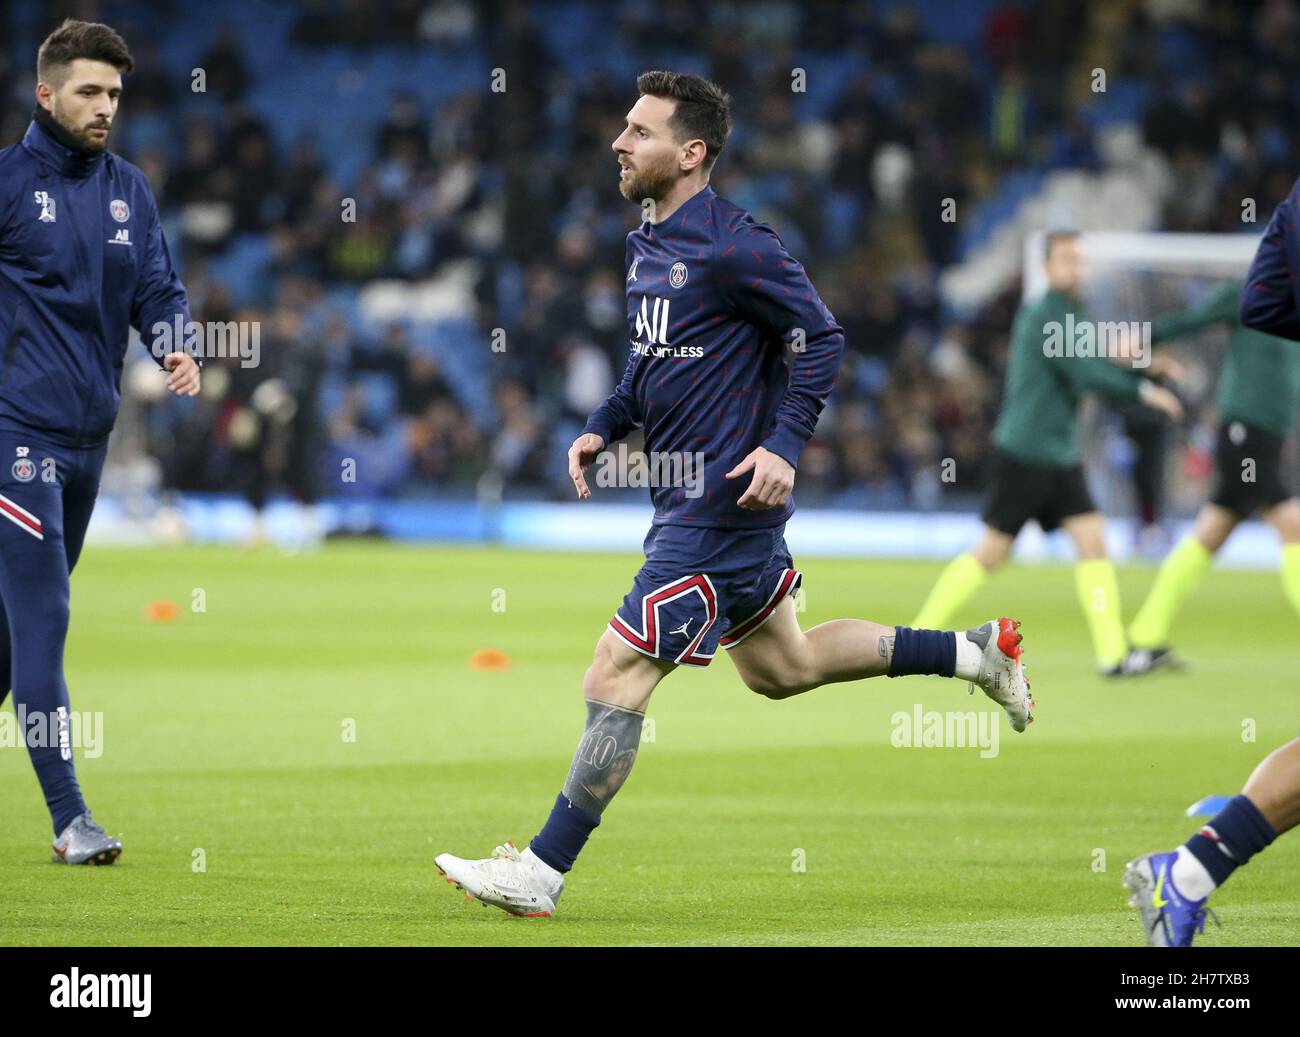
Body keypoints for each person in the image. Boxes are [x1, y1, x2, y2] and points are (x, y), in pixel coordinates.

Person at [435, 71, 1033, 917]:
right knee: (785, 667)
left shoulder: (738, 245)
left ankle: (543, 870)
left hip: (716, 513)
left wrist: (784, 444)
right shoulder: (648, 241)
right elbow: (651, 363)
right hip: (708, 513)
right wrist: (606, 421)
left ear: (691, 152)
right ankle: (977, 654)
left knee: (614, 671)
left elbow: (821, 338)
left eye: (639, 131)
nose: (619, 142)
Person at [0, 19, 200, 864]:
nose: (105, 107)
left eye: (114, 93)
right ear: (45, 94)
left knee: (10, 638)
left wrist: (175, 339)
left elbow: (156, 288)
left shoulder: (129, 189)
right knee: (46, 617)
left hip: (88, 439)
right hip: (16, 434)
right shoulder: (9, 185)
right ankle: (70, 817)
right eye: (88, 90)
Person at [911, 231, 1184, 676]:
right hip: (1028, 453)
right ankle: (918, 638)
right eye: (1068, 260)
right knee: (992, 553)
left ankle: (1113, 655)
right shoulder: (1045, 315)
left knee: (1092, 542)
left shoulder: (1066, 315)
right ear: (1048, 267)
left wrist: (1141, 364)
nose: (1077, 268)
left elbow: (1089, 361)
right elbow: (1087, 372)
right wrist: (1145, 390)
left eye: (1080, 260)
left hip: (1058, 455)